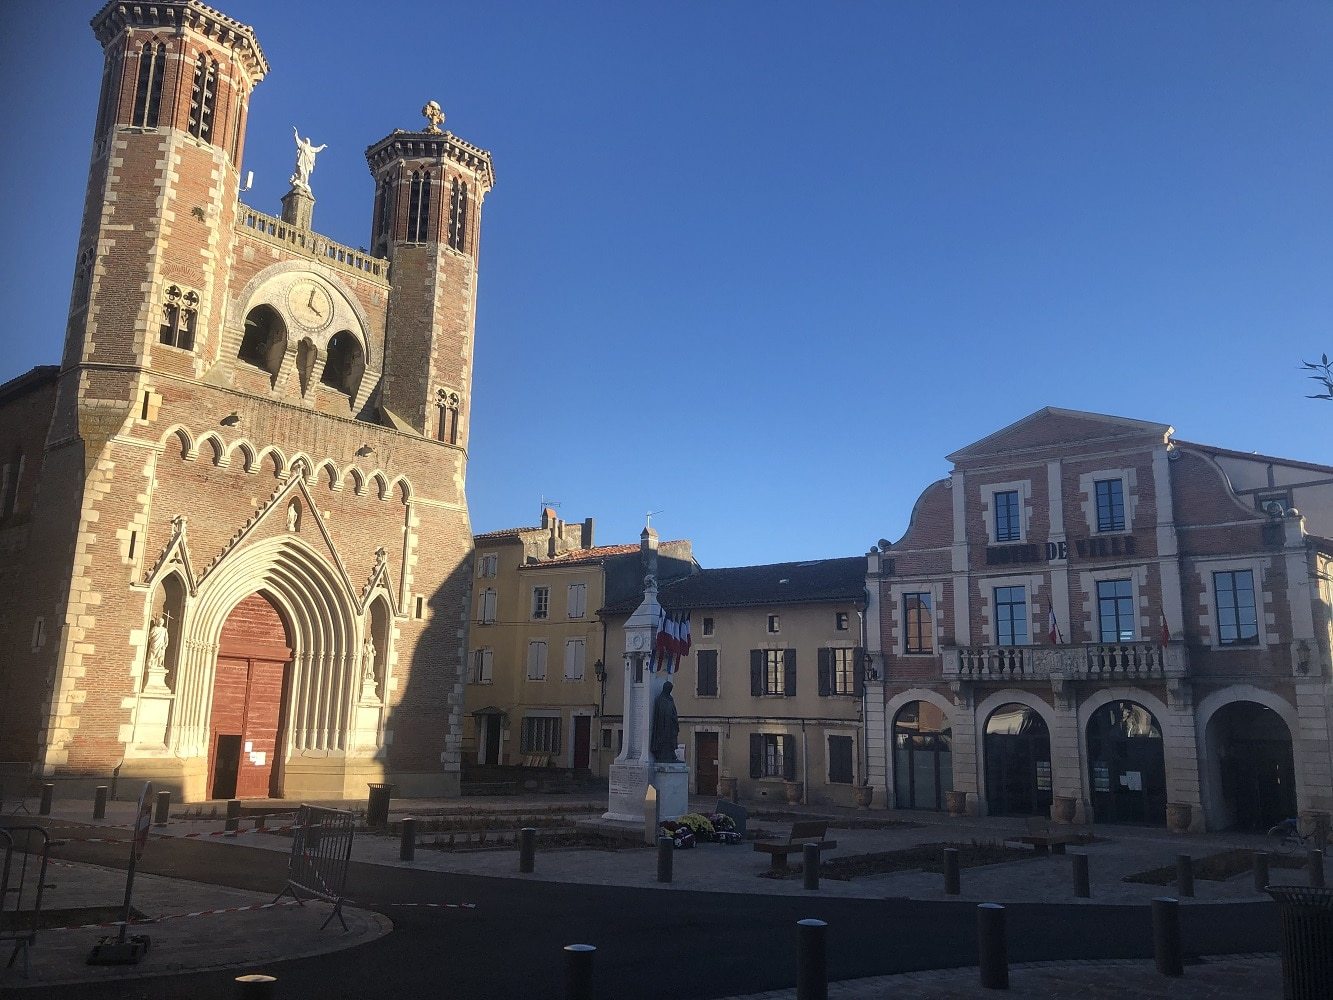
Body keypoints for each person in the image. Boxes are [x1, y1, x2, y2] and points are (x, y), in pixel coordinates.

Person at [649, 680, 679, 762]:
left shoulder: (670, 698)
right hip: (663, 726)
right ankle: (664, 756)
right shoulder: (660, 700)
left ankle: (671, 755)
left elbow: (673, 710)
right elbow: (661, 714)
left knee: (672, 740)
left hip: (671, 724)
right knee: (665, 741)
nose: (670, 690)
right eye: (669, 689)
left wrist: (674, 719)